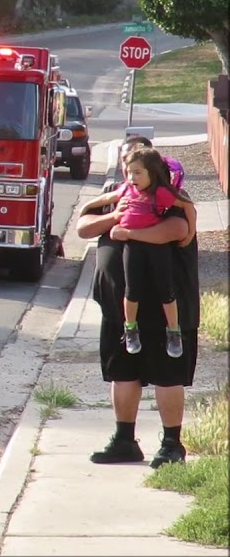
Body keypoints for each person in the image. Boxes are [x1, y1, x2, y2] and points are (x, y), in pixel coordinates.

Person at [76, 139, 200, 468]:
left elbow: (178, 229)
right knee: (123, 374)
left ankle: (172, 445)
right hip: (122, 314)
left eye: (137, 163)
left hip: (166, 313)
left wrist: (129, 234)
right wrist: (114, 215)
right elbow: (82, 226)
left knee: (167, 376)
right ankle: (124, 440)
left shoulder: (167, 197)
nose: (130, 170)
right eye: (126, 162)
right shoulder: (121, 195)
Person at [79, 147, 194, 358]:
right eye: (129, 172)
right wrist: (89, 207)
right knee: (132, 290)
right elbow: (102, 202)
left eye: (138, 172)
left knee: (165, 290)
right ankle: (130, 328)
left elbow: (187, 206)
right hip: (132, 250)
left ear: (152, 172)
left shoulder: (160, 193)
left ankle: (174, 331)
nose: (132, 177)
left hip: (156, 248)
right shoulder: (124, 190)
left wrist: (191, 233)